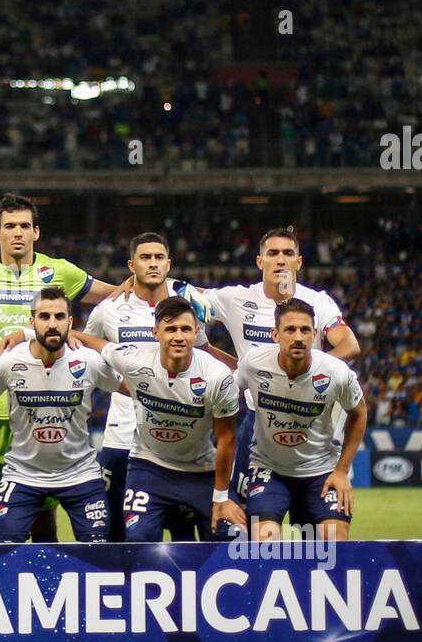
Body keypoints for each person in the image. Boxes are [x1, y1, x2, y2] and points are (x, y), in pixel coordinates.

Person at [0, 193, 160, 542]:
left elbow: (117, 295)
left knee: (43, 512)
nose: (18, 233)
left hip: (45, 404)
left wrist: (163, 283)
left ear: (36, 232)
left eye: (25, 226)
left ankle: (48, 575)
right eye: (9, 226)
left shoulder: (60, 270)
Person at [186, 226, 359, 522]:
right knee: (241, 518)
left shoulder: (317, 302)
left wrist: (312, 373)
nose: (280, 260)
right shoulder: (234, 299)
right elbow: (182, 293)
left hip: (312, 417)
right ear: (259, 261)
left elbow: (349, 344)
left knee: (320, 528)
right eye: (273, 253)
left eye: (288, 253)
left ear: (299, 262)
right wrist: (133, 285)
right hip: (258, 420)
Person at [83, 232, 233, 540]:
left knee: (182, 532)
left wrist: (243, 370)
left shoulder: (189, 304)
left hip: (179, 439)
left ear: (169, 264)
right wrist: (115, 384)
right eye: (145, 258)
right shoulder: (109, 309)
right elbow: (88, 356)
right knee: (117, 535)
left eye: (158, 258)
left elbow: (202, 353)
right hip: (121, 435)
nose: (152, 264)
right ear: (131, 265)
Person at [67, 297, 244, 542]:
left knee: (234, 538)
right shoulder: (135, 360)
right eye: (170, 329)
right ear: (155, 332)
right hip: (149, 467)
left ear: (196, 333)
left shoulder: (217, 376)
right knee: (139, 540)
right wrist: (28, 334)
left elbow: (227, 437)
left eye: (185, 329)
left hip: (201, 469)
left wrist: (222, 497)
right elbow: (97, 344)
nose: (178, 337)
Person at [0, 287, 120, 542]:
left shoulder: (88, 361)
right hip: (22, 474)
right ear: (31, 322)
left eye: (59, 317)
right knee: (7, 544)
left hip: (80, 473)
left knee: (99, 547)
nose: (52, 324)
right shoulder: (9, 362)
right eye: (44, 317)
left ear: (70, 322)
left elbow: (132, 387)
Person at [236, 299, 368, 541]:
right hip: (270, 469)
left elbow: (359, 413)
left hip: (322, 471)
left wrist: (342, 470)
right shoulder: (253, 363)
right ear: (275, 334)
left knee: (334, 542)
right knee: (265, 540)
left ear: (314, 334)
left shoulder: (336, 372)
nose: (298, 337)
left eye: (305, 330)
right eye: (290, 330)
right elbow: (225, 400)